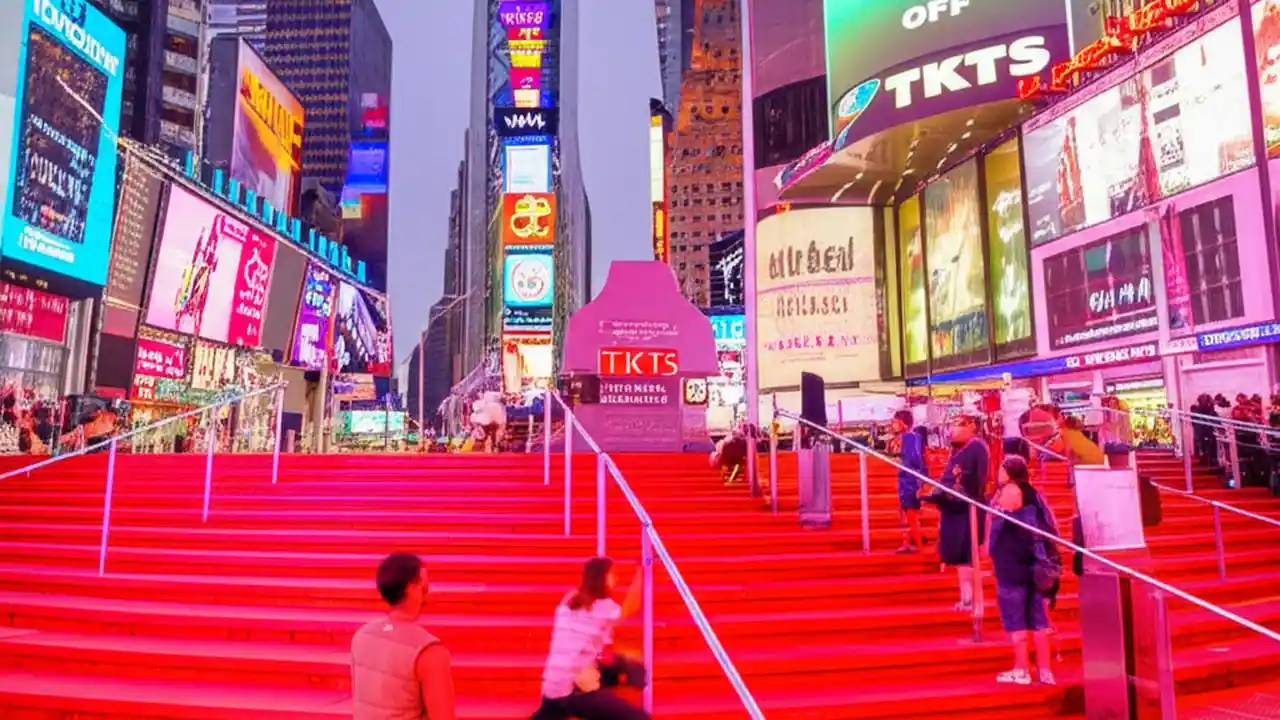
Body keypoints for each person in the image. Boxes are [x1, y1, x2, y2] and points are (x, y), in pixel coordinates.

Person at [532, 557, 648, 720]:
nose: (616, 579)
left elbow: (590, 646)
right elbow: (631, 607)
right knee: (638, 718)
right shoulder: (602, 607)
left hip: (552, 684)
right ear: (602, 578)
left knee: (623, 666)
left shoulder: (570, 599)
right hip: (572, 690)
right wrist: (641, 573)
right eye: (612, 574)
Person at [351, 554, 456, 720]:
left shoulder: (362, 636)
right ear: (411, 588)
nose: (429, 588)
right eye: (424, 582)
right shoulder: (429, 652)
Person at [989, 458, 1059, 686]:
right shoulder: (1034, 495)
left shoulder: (1010, 492)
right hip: (1036, 565)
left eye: (1002, 469)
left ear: (1009, 473)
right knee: (1039, 620)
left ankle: (1021, 669)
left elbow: (996, 523)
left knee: (1016, 620)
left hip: (1013, 564)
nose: (998, 473)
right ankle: (1045, 671)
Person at [922, 414, 989, 612]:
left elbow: (976, 482)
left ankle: (971, 599)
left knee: (967, 556)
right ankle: (966, 598)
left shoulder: (976, 447)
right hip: (954, 511)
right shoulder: (958, 450)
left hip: (966, 510)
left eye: (958, 425)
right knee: (960, 558)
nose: (953, 430)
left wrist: (954, 490)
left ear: (971, 426)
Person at [891, 410, 927, 554]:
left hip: (909, 481)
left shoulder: (908, 438)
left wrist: (900, 458)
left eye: (894, 422)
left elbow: (914, 459)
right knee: (907, 514)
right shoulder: (915, 437)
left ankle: (920, 547)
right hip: (911, 479)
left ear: (902, 423)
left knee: (911, 514)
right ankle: (907, 542)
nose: (892, 425)